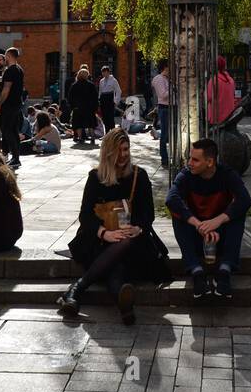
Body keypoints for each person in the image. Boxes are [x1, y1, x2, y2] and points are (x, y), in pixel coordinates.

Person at [59, 128, 169, 323]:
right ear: (108, 152)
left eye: (126, 149)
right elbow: (85, 215)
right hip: (100, 240)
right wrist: (104, 233)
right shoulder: (95, 177)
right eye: (118, 150)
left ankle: (76, 290)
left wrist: (137, 229)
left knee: (123, 245)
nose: (123, 155)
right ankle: (124, 306)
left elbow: (148, 214)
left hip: (132, 241)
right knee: (115, 264)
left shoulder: (139, 176)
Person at [165, 138, 251, 300]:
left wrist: (217, 221)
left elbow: (245, 200)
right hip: (198, 236)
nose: (189, 162)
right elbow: (171, 199)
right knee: (178, 215)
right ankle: (196, 271)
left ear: (210, 162)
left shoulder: (227, 175)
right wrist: (198, 224)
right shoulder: (186, 175)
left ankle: (225, 270)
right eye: (190, 158)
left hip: (220, 237)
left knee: (238, 214)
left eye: (195, 160)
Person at [0, 46, 25, 167]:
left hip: (9, 105)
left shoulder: (10, 70)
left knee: (7, 131)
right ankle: (16, 157)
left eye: (5, 56)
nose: (5, 58)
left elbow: (6, 89)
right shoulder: (19, 69)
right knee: (13, 131)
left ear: (9, 56)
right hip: (16, 104)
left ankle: (15, 158)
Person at [68, 66, 99, 146]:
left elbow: (70, 97)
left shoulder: (74, 85)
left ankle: (80, 138)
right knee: (90, 123)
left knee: (79, 124)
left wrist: (73, 106)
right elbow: (95, 97)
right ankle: (92, 137)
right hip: (89, 107)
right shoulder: (91, 85)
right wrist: (95, 107)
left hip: (78, 108)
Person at [205, 56, 238, 127]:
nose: (210, 67)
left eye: (211, 64)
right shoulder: (231, 80)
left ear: (215, 66)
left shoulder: (213, 80)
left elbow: (208, 98)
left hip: (216, 118)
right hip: (230, 117)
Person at [152, 59, 171, 168]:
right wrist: (174, 88)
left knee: (170, 133)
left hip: (171, 107)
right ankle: (164, 159)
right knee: (164, 135)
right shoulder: (158, 79)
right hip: (164, 108)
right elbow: (163, 95)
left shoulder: (167, 79)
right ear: (165, 67)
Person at [97, 65, 122, 132]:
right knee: (104, 117)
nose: (104, 74)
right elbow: (100, 91)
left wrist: (116, 101)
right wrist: (99, 100)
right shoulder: (101, 81)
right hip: (103, 99)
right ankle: (107, 132)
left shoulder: (113, 80)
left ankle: (113, 132)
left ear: (108, 72)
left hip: (110, 98)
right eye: (103, 72)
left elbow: (118, 91)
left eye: (105, 72)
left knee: (110, 117)